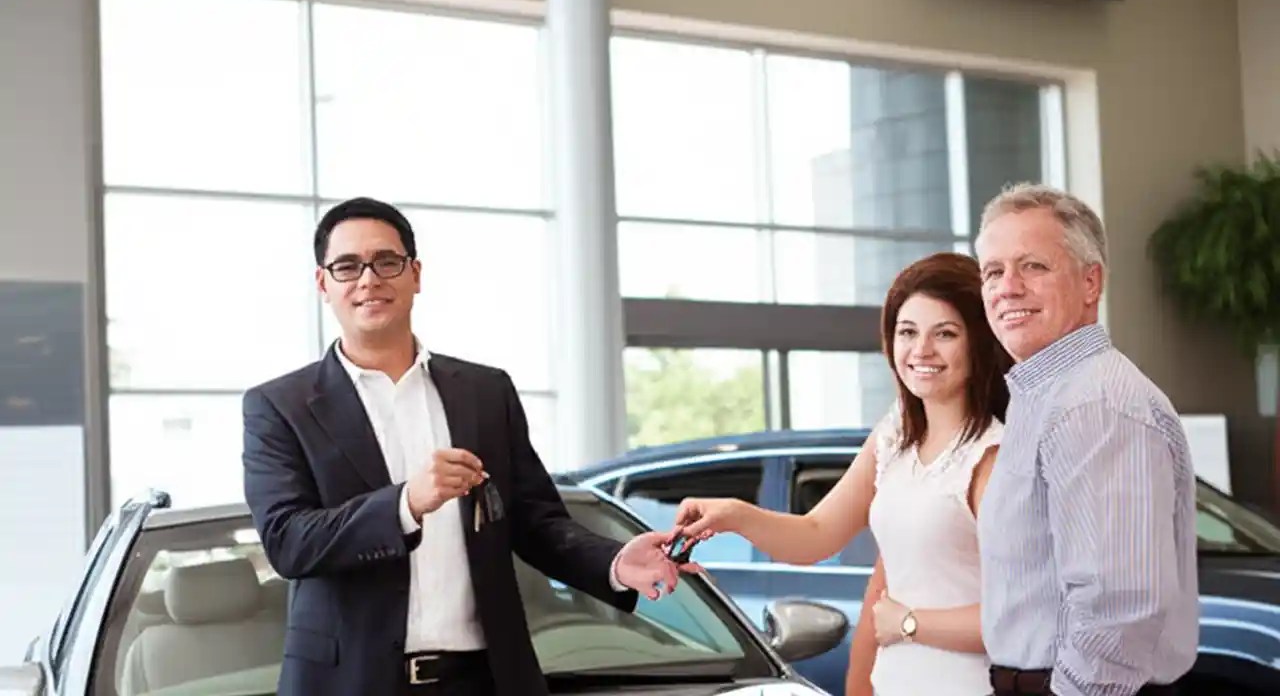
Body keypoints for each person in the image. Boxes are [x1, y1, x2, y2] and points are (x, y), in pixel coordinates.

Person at [242, 197, 696, 696]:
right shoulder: (279, 406)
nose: (368, 279)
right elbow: (288, 541)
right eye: (347, 266)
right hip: (349, 684)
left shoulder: (483, 392)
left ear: (415, 274)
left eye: (386, 262)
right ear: (323, 284)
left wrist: (612, 562)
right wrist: (405, 503)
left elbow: (534, 520)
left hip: (485, 681)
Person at [674, 252, 1013, 696]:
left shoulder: (994, 456)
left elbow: (1019, 619)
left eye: (945, 333)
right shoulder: (895, 434)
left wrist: (909, 623)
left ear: (979, 342)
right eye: (907, 332)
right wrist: (733, 515)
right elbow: (816, 533)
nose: (921, 350)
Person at [973, 183, 1199, 696]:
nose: (1007, 287)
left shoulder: (1093, 405)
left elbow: (1120, 607)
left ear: (1090, 282)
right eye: (993, 271)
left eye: (1033, 266)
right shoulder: (1046, 397)